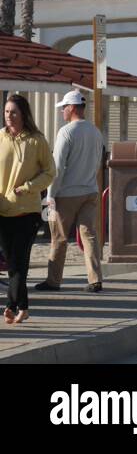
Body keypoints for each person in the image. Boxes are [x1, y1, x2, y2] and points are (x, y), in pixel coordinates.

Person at [35, 90, 106, 294]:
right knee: (89, 236)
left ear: (72, 107)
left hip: (66, 193)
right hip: (90, 190)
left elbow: (57, 167)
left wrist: (50, 195)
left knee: (59, 237)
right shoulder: (95, 132)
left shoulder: (66, 132)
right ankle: (95, 279)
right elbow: (97, 162)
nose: (62, 111)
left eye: (64, 107)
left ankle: (53, 280)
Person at [0, 94, 55, 324]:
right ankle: (23, 307)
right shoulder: (1, 137)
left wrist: (29, 187)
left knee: (18, 262)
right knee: (12, 262)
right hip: (3, 210)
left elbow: (50, 172)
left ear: (24, 114)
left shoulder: (36, 141)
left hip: (27, 212)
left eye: (13, 112)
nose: (9, 116)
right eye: (6, 112)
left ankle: (11, 306)